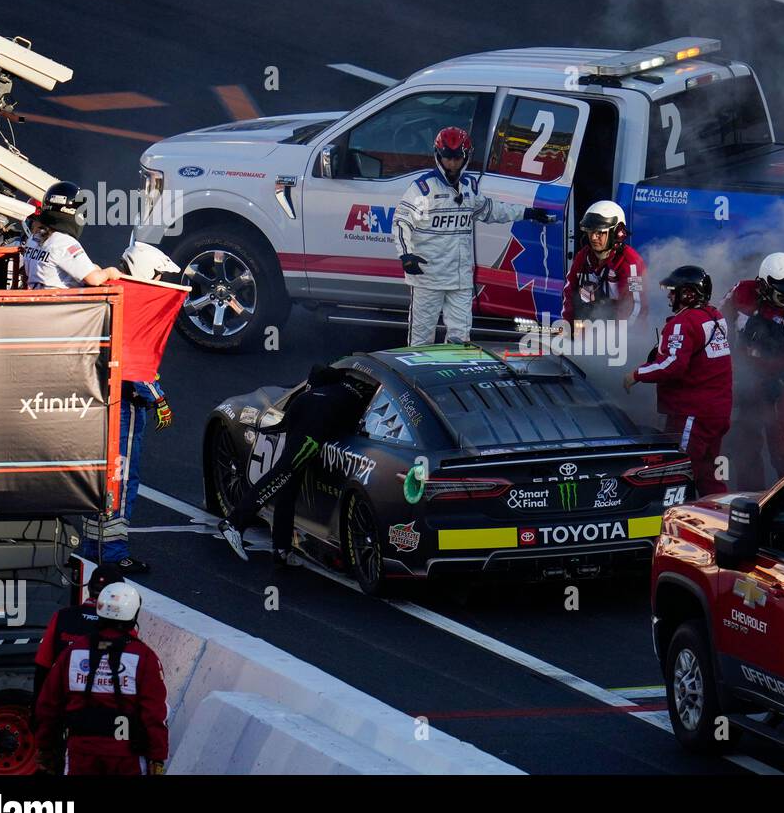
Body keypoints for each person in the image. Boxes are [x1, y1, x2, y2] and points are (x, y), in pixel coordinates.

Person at [395, 127, 555, 346]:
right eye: (447, 158)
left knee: (460, 339)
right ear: (438, 155)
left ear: (466, 157)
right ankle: (414, 380)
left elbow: (490, 210)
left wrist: (527, 213)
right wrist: (406, 256)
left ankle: (451, 376)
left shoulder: (470, 187)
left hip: (460, 279)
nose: (452, 163)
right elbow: (401, 221)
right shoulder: (424, 189)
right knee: (421, 341)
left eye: (457, 158)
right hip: (428, 278)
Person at [81, 243, 178, 573]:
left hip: (97, 402)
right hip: (123, 409)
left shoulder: (105, 293)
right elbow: (134, 361)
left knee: (100, 478)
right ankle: (111, 552)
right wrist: (159, 398)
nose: (164, 280)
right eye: (161, 275)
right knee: (119, 481)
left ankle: (92, 543)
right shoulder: (130, 304)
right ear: (148, 272)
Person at [218, 364, 372, 566]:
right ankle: (234, 523)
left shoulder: (352, 373)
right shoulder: (369, 393)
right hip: (316, 422)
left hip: (304, 404)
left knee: (288, 484)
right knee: (284, 474)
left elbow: (318, 372)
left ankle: (281, 549)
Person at [35, 582, 169, 776]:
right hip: (127, 757)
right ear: (133, 614)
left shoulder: (73, 652)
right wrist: (157, 756)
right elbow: (155, 713)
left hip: (80, 754)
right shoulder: (144, 657)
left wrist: (45, 747)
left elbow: (48, 705)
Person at [624, 265, 733, 497]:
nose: (669, 295)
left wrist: (636, 375)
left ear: (688, 293)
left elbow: (673, 366)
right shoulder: (716, 317)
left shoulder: (683, 323)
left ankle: (677, 523)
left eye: (673, 291)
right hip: (717, 413)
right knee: (710, 475)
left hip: (693, 414)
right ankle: (717, 520)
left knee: (678, 471)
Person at [720, 253, 784, 488]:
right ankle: (750, 503)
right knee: (745, 446)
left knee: (783, 451)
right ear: (764, 286)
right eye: (783, 294)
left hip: (778, 387)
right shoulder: (741, 291)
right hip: (743, 381)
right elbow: (719, 323)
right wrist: (726, 366)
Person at [33, 563, 129, 704]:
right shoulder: (122, 624)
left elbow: (43, 665)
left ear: (89, 587)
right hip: (103, 707)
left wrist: (37, 707)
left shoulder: (62, 616)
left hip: (63, 704)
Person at [561, 200, 648, 329]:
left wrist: (616, 339)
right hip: (588, 332)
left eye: (600, 232)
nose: (594, 237)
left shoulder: (630, 263)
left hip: (621, 339)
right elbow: (569, 294)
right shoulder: (582, 257)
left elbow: (636, 308)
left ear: (617, 232)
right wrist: (568, 329)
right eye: (591, 231)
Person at [21, 181, 124, 289]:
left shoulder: (33, 239)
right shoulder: (64, 242)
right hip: (59, 303)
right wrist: (109, 272)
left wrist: (93, 268)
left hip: (36, 299)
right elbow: (94, 279)